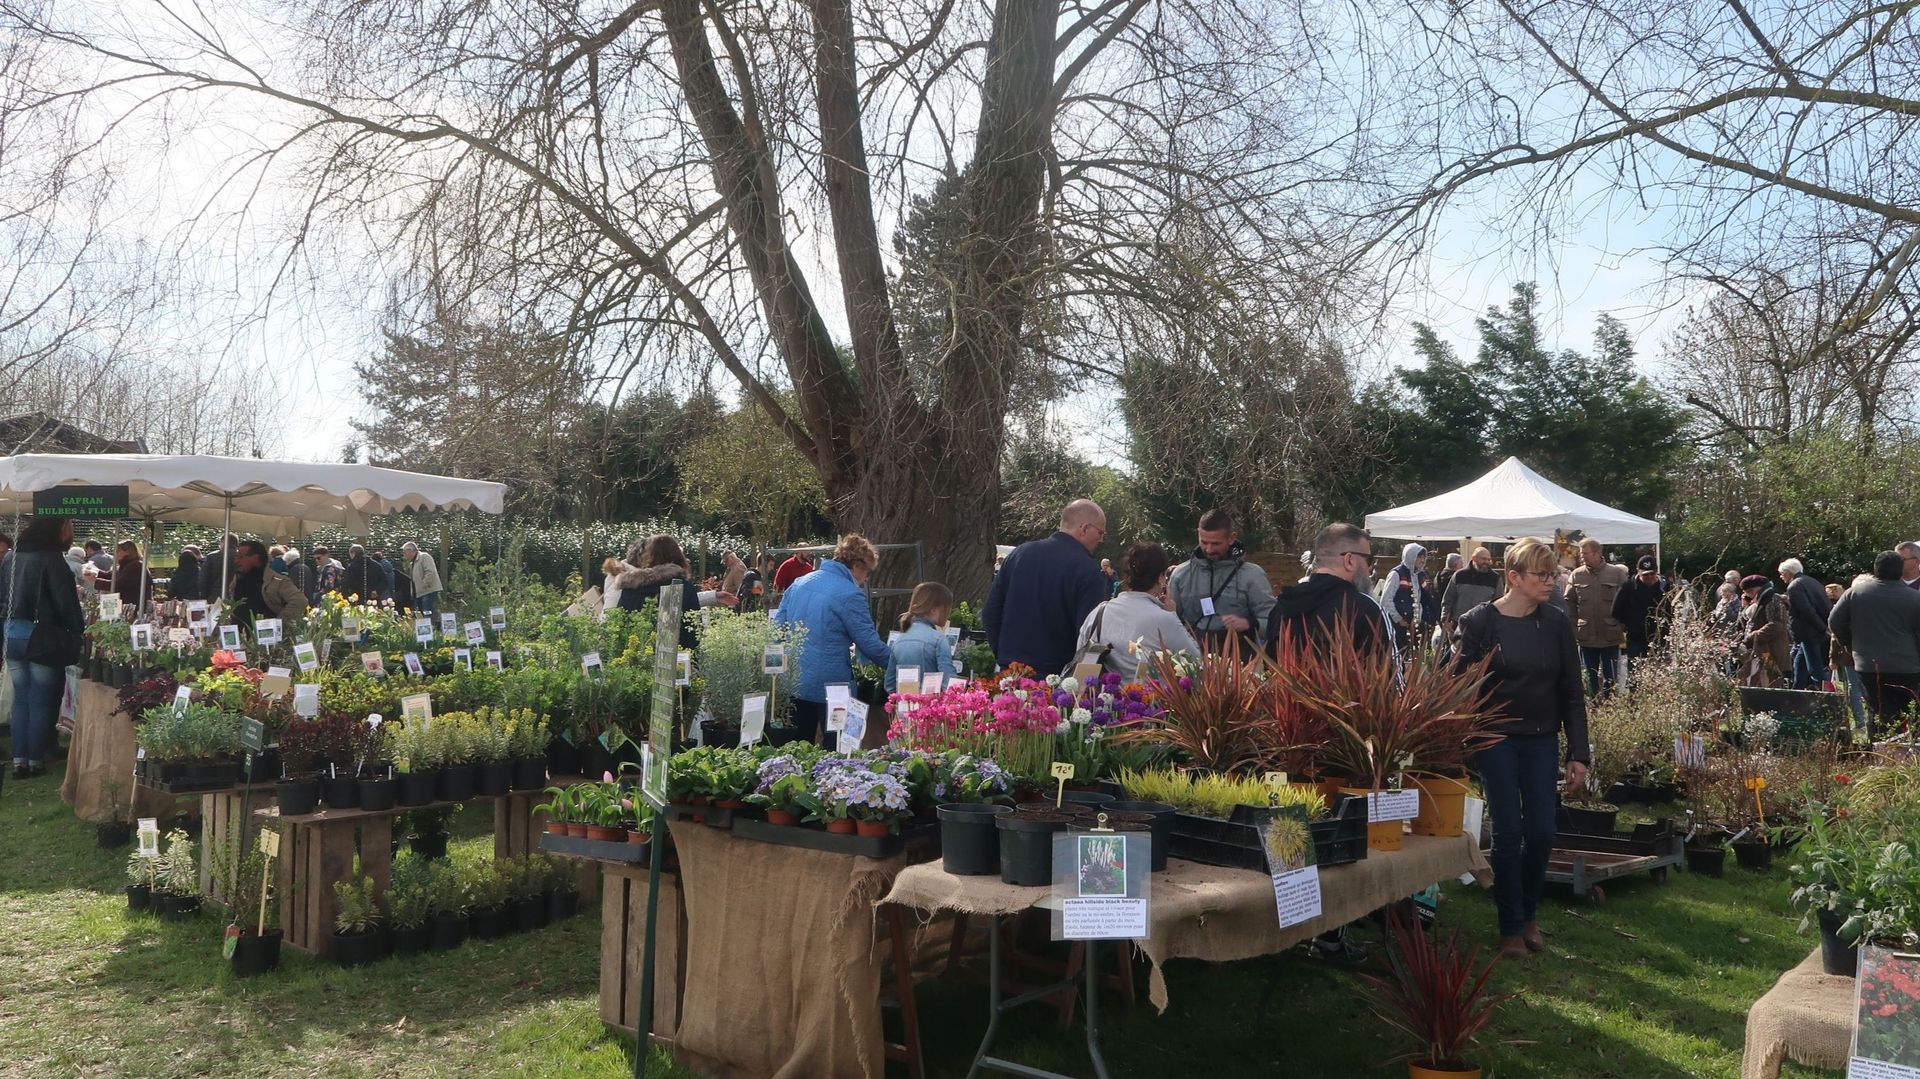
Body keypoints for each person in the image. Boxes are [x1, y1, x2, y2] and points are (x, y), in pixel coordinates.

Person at [1452, 536, 1588, 959]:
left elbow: (1572, 690)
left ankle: (1529, 914)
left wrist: (1578, 753)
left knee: (1543, 830)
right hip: (1495, 739)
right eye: (1541, 574)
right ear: (1513, 577)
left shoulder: (1556, 622)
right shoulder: (1480, 622)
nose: (1551, 581)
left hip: (1541, 737)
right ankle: (1510, 925)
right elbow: (1456, 684)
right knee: (1509, 830)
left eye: (1553, 574)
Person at [775, 534, 891, 745]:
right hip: (834, 686)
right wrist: (902, 665)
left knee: (796, 749)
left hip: (794, 681)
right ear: (856, 565)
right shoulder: (850, 594)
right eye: (867, 572)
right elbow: (870, 645)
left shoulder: (799, 583)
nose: (866, 579)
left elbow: (777, 629)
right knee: (841, 748)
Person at [983, 499, 1109, 674]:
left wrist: (1005, 657)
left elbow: (990, 613)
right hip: (1056, 680)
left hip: (1011, 675)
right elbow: (1088, 637)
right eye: (1100, 532)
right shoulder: (1088, 570)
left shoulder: (1019, 554)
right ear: (1084, 528)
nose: (1101, 539)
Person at [6, 516, 84, 779]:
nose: (70, 533)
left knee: (21, 698)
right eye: (69, 527)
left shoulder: (11, 558)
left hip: (10, 632)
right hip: (42, 635)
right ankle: (35, 760)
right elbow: (65, 603)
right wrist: (78, 631)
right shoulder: (52, 560)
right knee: (40, 699)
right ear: (59, 530)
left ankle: (19, 760)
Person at [1073, 543, 1202, 680]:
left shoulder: (1099, 611)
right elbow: (1196, 663)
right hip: (1150, 699)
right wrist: (1173, 614)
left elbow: (1080, 653)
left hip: (1103, 698)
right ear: (1161, 578)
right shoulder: (1165, 619)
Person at [1830, 552, 1920, 735]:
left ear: (1875, 569)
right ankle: (1909, 753)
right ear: (1900, 570)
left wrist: (1849, 644)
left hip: (1869, 664)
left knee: (1877, 711)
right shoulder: (1914, 597)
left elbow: (1834, 621)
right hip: (1907, 664)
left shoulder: (1855, 593)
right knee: (1910, 712)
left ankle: (1880, 755)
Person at [1267, 523, 1390, 657]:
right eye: (1368, 559)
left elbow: (1270, 668)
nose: (1370, 568)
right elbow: (1390, 672)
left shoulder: (1282, 605)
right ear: (1349, 560)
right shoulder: (1366, 608)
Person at [1168, 509, 1277, 654]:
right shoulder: (1180, 575)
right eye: (1204, 542)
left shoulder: (1253, 575)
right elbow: (1170, 622)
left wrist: (1249, 624)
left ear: (1231, 538)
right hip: (1192, 662)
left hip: (1241, 664)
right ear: (1198, 534)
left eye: (1216, 544)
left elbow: (1275, 621)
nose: (1209, 549)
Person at [612, 535, 707, 646]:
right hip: (677, 654)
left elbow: (619, 625)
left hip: (635, 654)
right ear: (678, 556)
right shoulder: (685, 587)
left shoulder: (633, 587)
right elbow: (694, 630)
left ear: (648, 556)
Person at [1564, 538, 1628, 694]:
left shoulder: (1616, 574)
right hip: (1586, 638)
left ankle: (1610, 711)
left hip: (1610, 636)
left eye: (1585, 553)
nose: (1582, 557)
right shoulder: (1576, 575)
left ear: (1597, 553)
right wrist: (1574, 628)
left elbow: (1627, 601)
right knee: (1589, 678)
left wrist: (1621, 626)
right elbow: (1569, 603)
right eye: (1581, 553)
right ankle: (1593, 708)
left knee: (1611, 678)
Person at [886, 582, 960, 692]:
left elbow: (890, 685)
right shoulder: (938, 639)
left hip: (906, 706)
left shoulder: (899, 640)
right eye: (947, 608)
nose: (948, 613)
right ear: (934, 610)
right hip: (931, 706)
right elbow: (949, 685)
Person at [229, 539, 310, 627]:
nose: (236, 560)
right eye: (236, 557)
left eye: (241, 556)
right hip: (239, 636)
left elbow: (300, 601)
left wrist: (280, 625)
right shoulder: (237, 578)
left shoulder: (277, 581)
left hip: (265, 638)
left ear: (256, 558)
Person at [1778, 558, 1833, 689]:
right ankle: (1796, 691)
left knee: (1815, 669)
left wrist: (1823, 629)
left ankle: (1830, 697)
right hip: (1812, 631)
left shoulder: (1794, 586)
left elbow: (1806, 611)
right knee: (1799, 663)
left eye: (1782, 573)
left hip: (1809, 632)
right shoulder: (1813, 582)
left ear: (1788, 572)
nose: (1781, 577)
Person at [1378, 542, 1438, 659]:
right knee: (1399, 656)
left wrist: (1420, 617)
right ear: (1411, 556)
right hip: (1398, 626)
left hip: (1415, 625)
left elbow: (1421, 599)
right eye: (1419, 556)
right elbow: (1386, 600)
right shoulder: (1396, 574)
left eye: (1423, 557)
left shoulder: (1420, 576)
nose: (1422, 560)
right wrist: (1398, 619)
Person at [1610, 555, 1669, 672]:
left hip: (1660, 638)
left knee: (1660, 674)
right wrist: (1630, 624)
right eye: (1645, 574)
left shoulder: (1665, 587)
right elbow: (1616, 611)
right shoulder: (1628, 588)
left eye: (1652, 574)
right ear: (1638, 572)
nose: (1649, 577)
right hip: (1636, 639)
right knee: (1635, 675)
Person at [1737, 573, 1792, 688]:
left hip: (1771, 650)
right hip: (1764, 649)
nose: (1749, 595)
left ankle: (1772, 706)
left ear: (1758, 588)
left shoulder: (1772, 600)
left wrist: (1753, 636)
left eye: (1749, 591)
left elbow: (1777, 625)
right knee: (1761, 683)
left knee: (1772, 682)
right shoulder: (1762, 600)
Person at [1829, 580, 1869, 736]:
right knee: (1867, 689)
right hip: (1870, 656)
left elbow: (1835, 634)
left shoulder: (1847, 607)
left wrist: (1833, 658)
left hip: (1849, 654)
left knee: (1854, 689)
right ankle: (1870, 720)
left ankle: (1860, 722)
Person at [1441, 546, 1504, 636]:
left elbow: (1498, 604)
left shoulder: (1495, 579)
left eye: (1488, 559)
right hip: (1458, 627)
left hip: (1482, 628)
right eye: (1483, 559)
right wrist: (1445, 619)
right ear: (1474, 558)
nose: (1486, 562)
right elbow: (1448, 599)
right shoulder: (1459, 575)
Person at [111, 540, 154, 610]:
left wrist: (96, 580)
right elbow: (111, 575)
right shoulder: (126, 565)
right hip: (130, 605)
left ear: (127, 552)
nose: (115, 554)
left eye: (118, 551)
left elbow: (120, 584)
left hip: (135, 606)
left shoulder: (135, 566)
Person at [403, 542, 443, 614]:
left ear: (410, 550)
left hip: (428, 591)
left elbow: (431, 572)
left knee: (427, 614)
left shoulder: (424, 556)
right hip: (419, 593)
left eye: (405, 552)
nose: (404, 555)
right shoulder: (413, 562)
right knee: (420, 616)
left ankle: (433, 625)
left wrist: (423, 585)